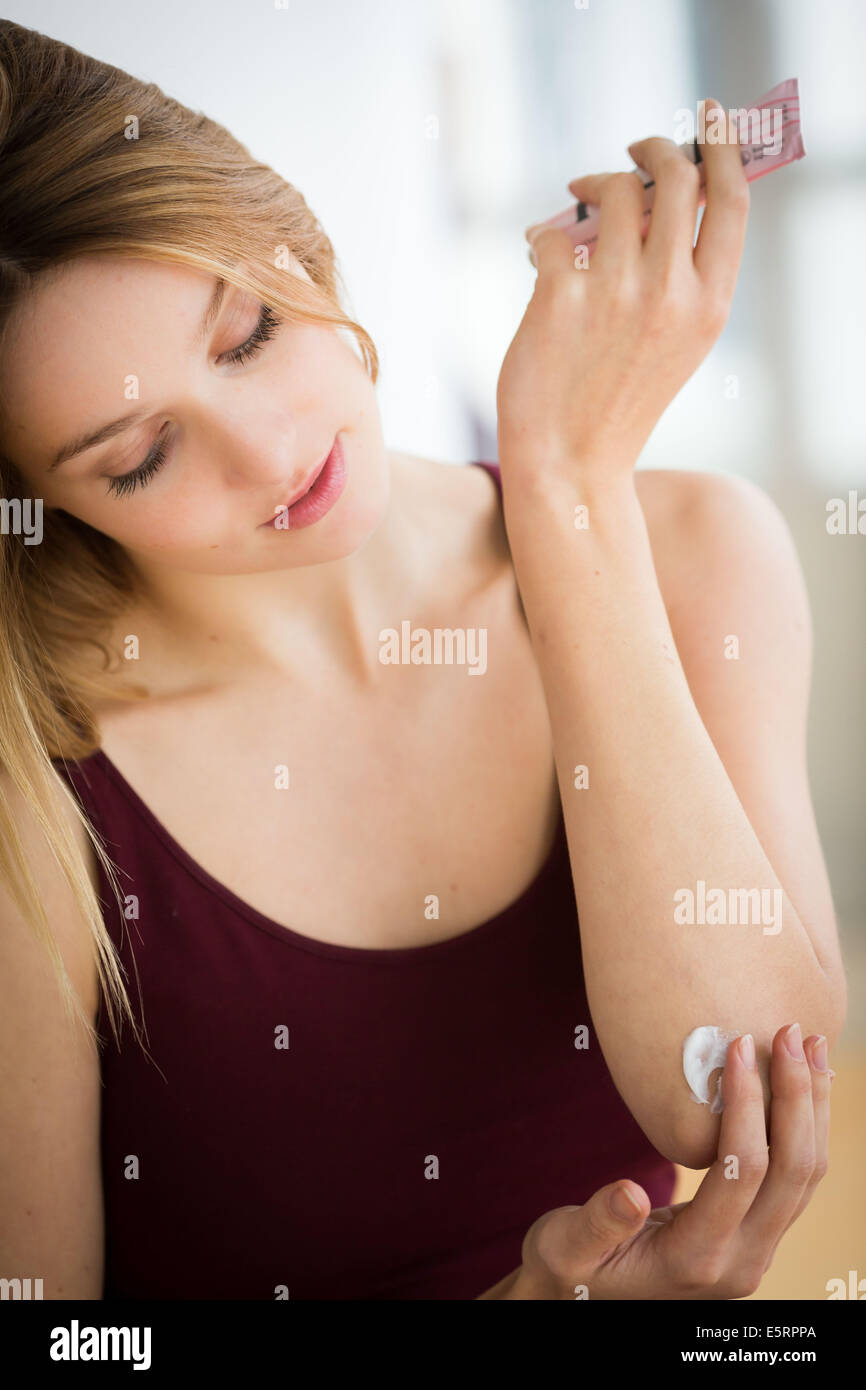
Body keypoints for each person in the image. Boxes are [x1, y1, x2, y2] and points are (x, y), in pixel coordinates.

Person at [0, 20, 845, 1300]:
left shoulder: (696, 551)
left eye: (251, 331)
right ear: (46, 503)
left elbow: (733, 1088)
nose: (272, 447)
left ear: (296, 235)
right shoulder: (32, 779)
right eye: (140, 456)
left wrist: (566, 486)